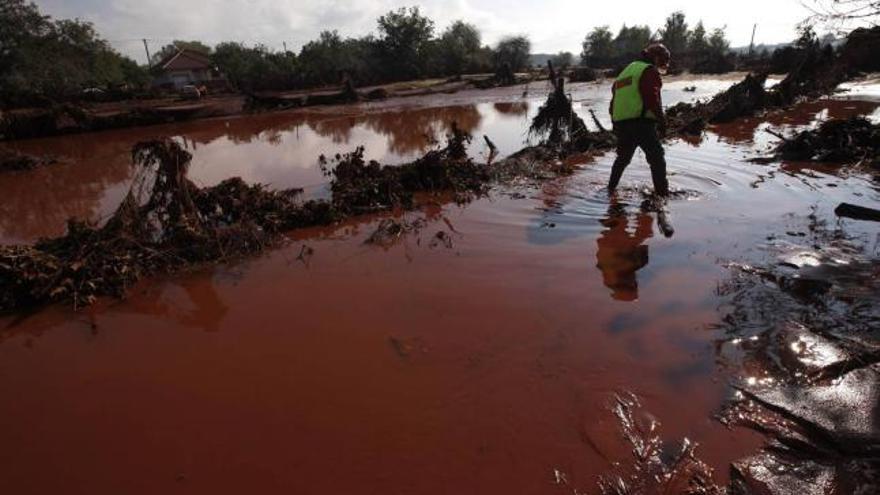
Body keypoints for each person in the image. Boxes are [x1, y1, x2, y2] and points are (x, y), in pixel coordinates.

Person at [607, 43, 671, 196]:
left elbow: (612, 105)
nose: (663, 64)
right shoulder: (648, 71)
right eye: (662, 60)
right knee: (656, 157)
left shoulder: (625, 73)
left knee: (622, 158)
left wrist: (616, 124)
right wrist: (662, 121)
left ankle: (610, 189)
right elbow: (651, 99)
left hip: (621, 124)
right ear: (655, 58)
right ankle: (662, 195)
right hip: (641, 123)